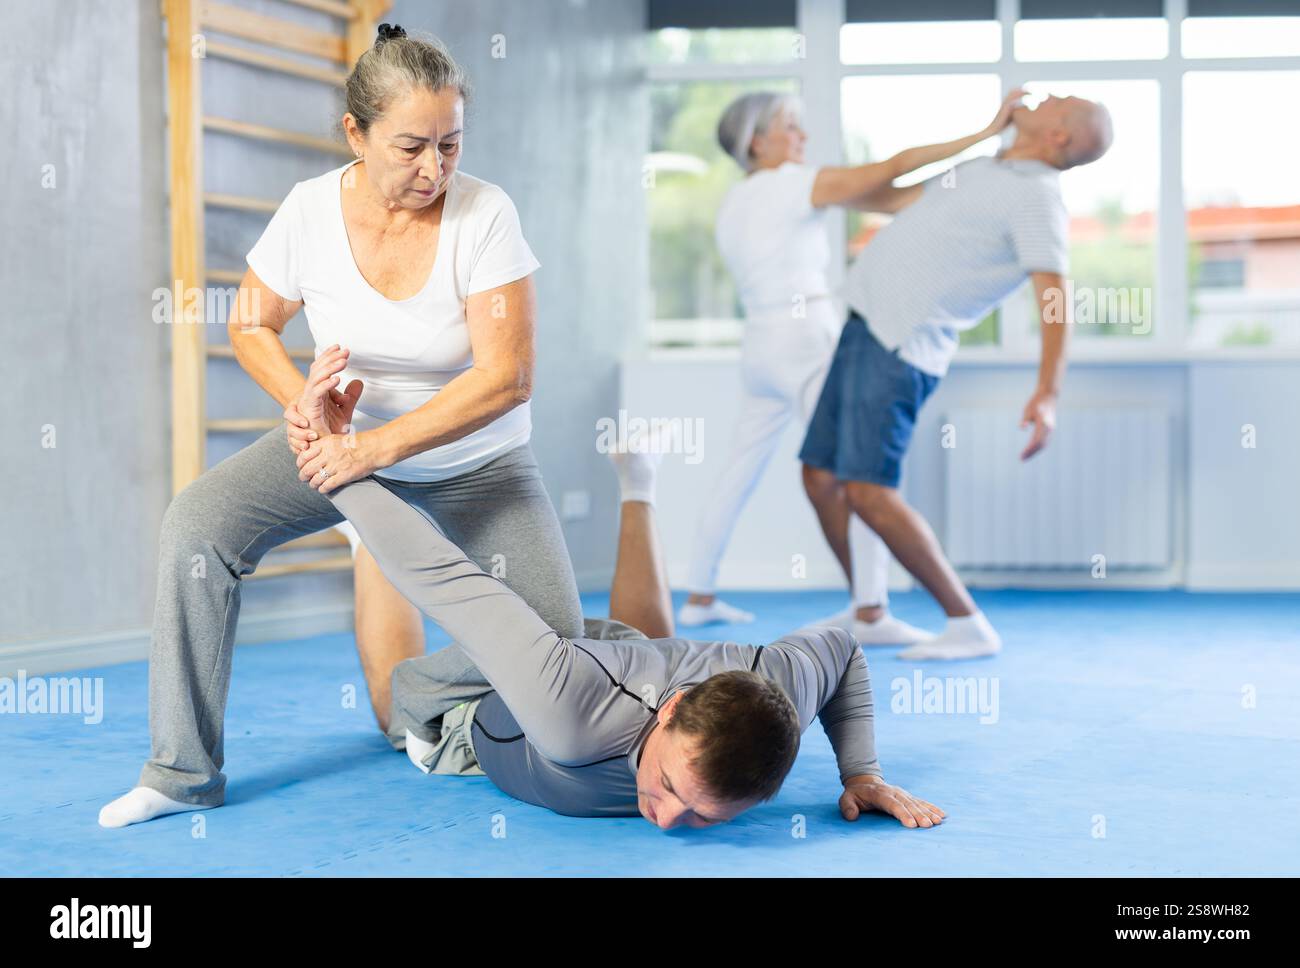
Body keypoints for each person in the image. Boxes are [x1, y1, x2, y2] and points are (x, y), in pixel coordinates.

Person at [99, 26, 582, 828]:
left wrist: (372, 448)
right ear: (355, 134)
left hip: (475, 462)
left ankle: (419, 692)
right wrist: (305, 406)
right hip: (346, 444)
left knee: (555, 639)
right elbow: (252, 323)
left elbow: (507, 376)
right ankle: (180, 772)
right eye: (412, 146)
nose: (435, 168)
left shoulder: (486, 214)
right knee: (196, 527)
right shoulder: (309, 211)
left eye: (452, 145)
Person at [309, 388, 946, 830]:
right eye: (671, 787)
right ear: (670, 711)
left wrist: (861, 771)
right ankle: (363, 543)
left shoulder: (783, 686)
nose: (668, 820)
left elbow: (845, 652)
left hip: (617, 659)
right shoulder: (567, 713)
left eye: (703, 815)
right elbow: (447, 580)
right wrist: (341, 467)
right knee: (396, 709)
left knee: (650, 641)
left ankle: (638, 476)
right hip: (498, 705)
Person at [680, 88, 1025, 647]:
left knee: (740, 469)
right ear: (757, 142)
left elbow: (894, 198)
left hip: (760, 343)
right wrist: (984, 137)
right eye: (791, 126)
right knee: (857, 471)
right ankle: (871, 610)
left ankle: (698, 596)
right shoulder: (794, 182)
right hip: (806, 334)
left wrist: (968, 179)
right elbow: (888, 173)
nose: (803, 137)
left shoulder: (735, 201)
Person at [800, 94, 1114, 661]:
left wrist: (1047, 393)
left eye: (1055, 101)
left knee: (870, 490)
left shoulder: (1037, 197)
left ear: (1060, 136)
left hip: (902, 344)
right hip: (862, 322)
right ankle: (868, 611)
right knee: (819, 475)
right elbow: (898, 200)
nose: (1038, 96)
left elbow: (1054, 298)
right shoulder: (986, 167)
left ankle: (967, 622)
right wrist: (817, 194)